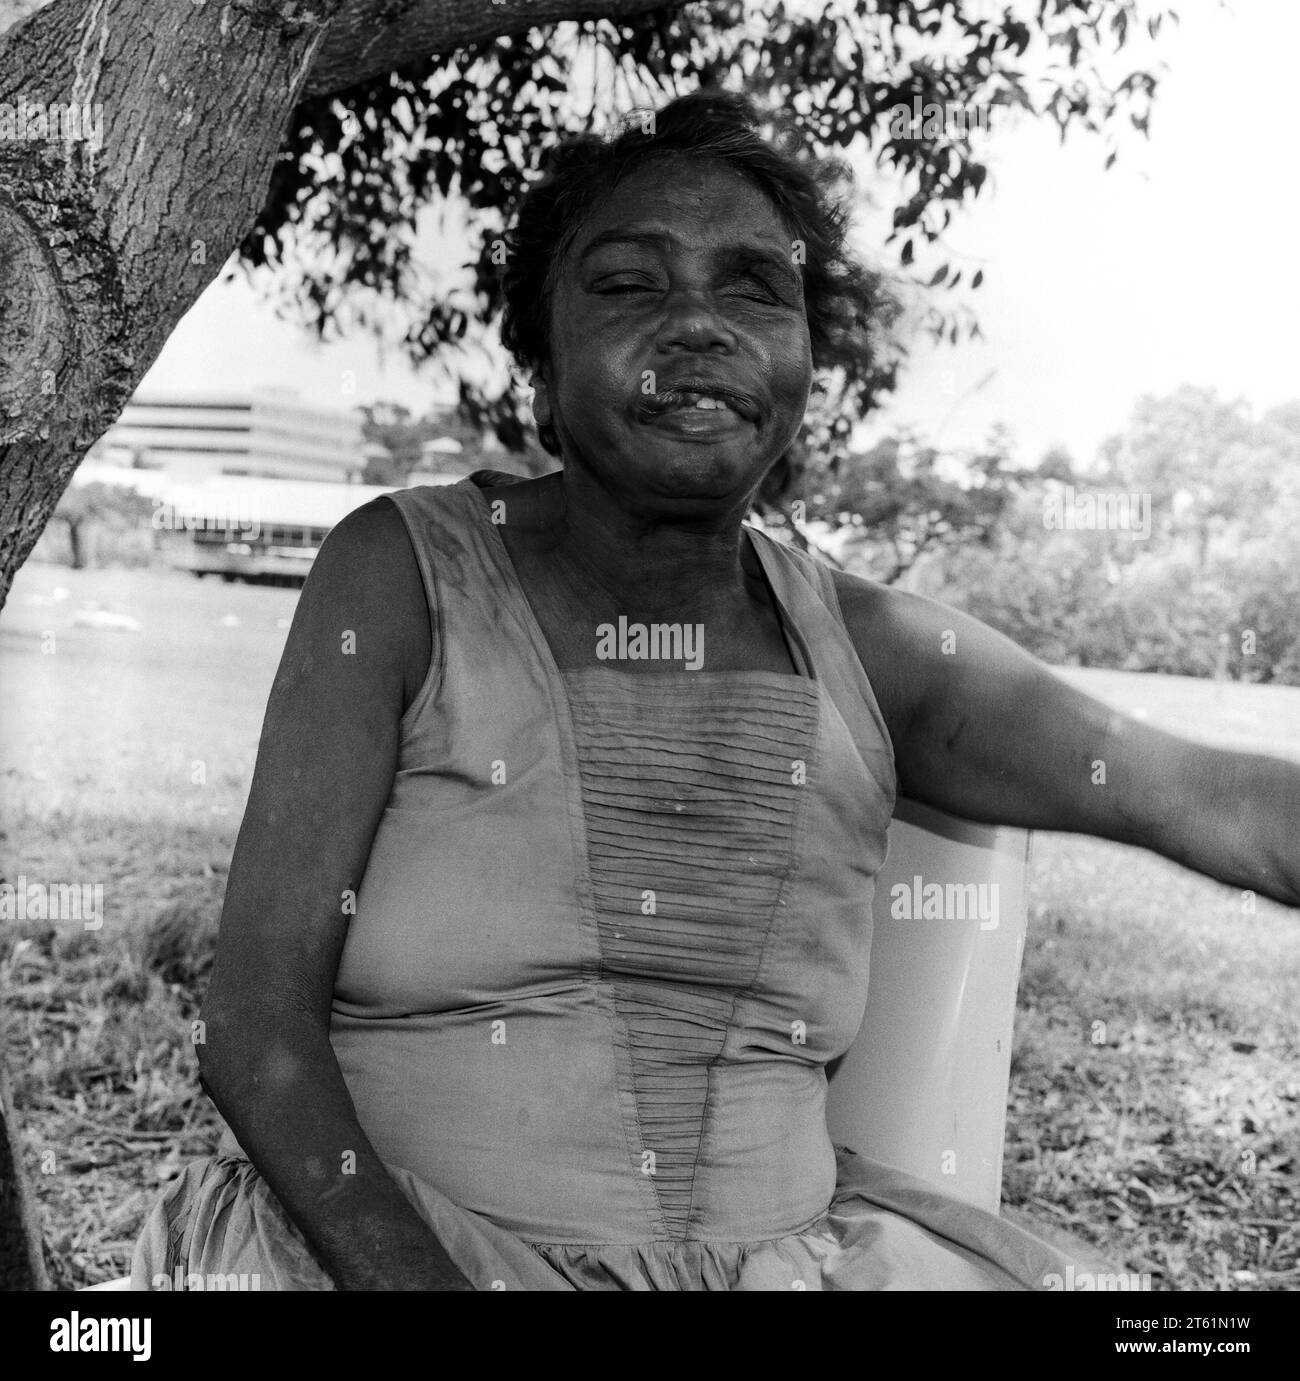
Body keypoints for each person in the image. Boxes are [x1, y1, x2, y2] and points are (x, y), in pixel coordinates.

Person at [130, 90, 1299, 1291]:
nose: (697, 325)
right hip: (387, 1259)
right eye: (630, 285)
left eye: (753, 287)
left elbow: (1208, 798)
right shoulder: (401, 576)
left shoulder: (878, 651)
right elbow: (257, 1029)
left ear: (802, 365)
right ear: (539, 367)